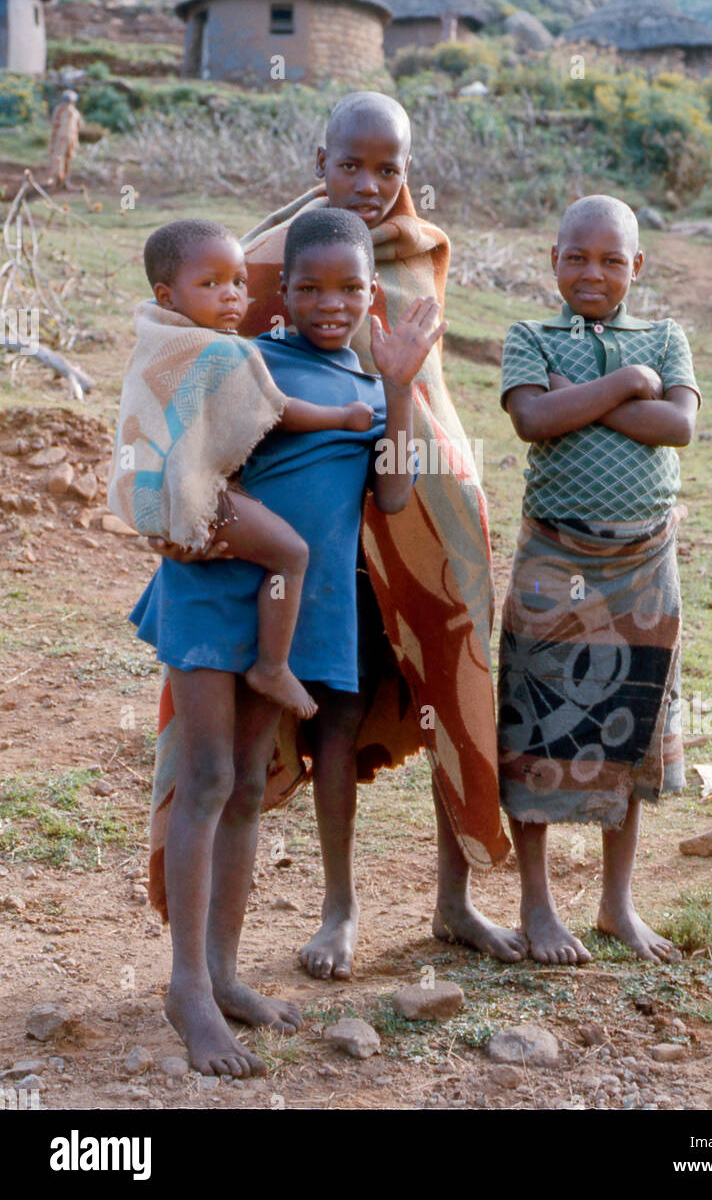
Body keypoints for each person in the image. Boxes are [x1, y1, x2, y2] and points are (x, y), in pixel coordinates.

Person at [129, 207, 444, 1073]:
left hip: (290, 608)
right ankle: (187, 987)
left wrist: (403, 387)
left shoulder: (378, 388)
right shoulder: (248, 357)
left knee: (245, 790)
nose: (329, 303)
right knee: (207, 779)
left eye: (350, 288)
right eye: (308, 287)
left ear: (373, 294)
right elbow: (175, 448)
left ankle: (224, 976)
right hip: (211, 588)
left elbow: (391, 498)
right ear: (283, 295)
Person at [230, 91, 523, 978]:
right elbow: (233, 391)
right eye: (350, 164)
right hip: (318, 536)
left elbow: (426, 399)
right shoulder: (273, 266)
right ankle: (339, 908)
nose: (368, 183)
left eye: (387, 168)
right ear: (318, 162)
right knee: (339, 711)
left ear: (407, 172)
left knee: (450, 695)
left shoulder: (422, 253)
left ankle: (454, 901)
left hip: (425, 517)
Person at [498, 194, 701, 965]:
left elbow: (677, 427)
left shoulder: (666, 337)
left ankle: (618, 903)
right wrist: (625, 388)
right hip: (556, 560)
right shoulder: (529, 335)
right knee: (534, 722)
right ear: (552, 261)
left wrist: (577, 398)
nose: (593, 272)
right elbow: (532, 421)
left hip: (644, 564)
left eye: (612, 260)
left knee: (632, 722)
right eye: (576, 257)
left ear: (637, 267)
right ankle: (538, 905)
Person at [109, 217, 375, 718]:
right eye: (210, 285)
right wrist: (343, 416)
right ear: (167, 296)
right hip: (203, 497)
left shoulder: (159, 341)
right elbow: (275, 411)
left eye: (237, 282)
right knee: (293, 554)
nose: (231, 296)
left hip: (167, 497)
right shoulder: (221, 350)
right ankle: (272, 667)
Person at [47, 89, 82, 189]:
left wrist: (75, 140)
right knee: (57, 159)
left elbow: (77, 127)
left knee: (68, 159)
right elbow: (55, 125)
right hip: (60, 138)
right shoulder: (59, 111)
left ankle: (65, 181)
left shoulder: (74, 112)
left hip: (70, 139)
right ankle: (55, 180)